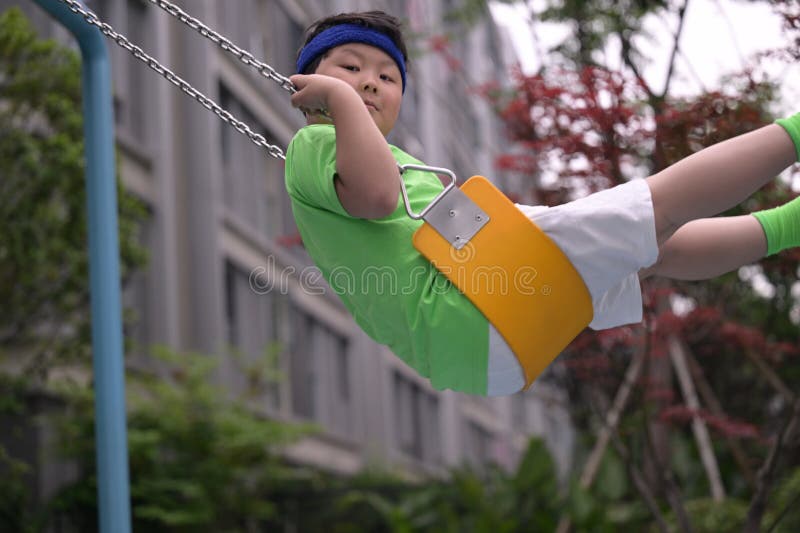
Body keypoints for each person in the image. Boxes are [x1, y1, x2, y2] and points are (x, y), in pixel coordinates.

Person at [284, 10, 800, 396]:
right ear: (310, 86)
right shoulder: (315, 142)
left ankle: (787, 226)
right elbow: (377, 198)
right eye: (349, 68)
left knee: (654, 248)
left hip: (481, 333)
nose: (369, 82)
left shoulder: (394, 163)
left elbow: (455, 226)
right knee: (655, 207)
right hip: (466, 305)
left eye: (388, 77)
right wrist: (344, 102)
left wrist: (546, 226)